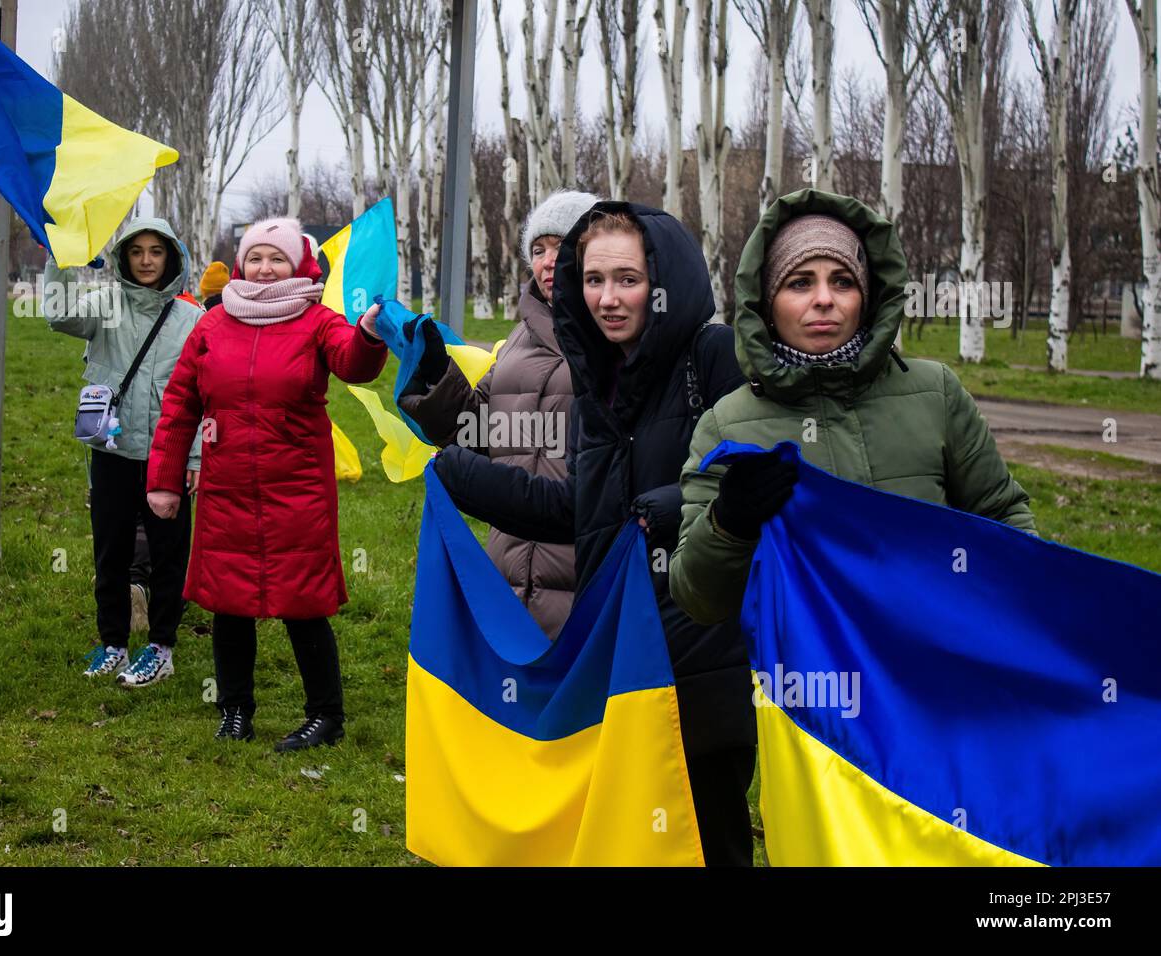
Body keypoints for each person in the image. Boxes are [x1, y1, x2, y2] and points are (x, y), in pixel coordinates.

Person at [430, 202, 756, 865]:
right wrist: (462, 476)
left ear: (667, 280)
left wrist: (669, 505)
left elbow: (759, 480)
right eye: (593, 280)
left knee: (710, 835)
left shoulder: (713, 356)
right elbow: (583, 512)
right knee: (634, 839)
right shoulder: (595, 384)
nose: (607, 299)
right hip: (618, 652)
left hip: (705, 653)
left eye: (628, 280)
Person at [670, 188, 1035, 633]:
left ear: (866, 298)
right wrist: (728, 524)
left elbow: (1002, 515)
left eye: (842, 281)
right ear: (766, 305)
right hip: (806, 691)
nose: (824, 299)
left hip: (938, 667)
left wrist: (1022, 613)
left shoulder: (935, 392)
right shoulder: (726, 424)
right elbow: (698, 599)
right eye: (799, 282)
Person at [146, 217, 388, 749]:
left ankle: (326, 715)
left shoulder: (317, 321)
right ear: (240, 264)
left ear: (299, 266)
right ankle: (236, 712)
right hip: (226, 488)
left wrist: (369, 335)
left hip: (297, 490)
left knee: (305, 605)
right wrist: (163, 480)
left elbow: (354, 365)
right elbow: (181, 403)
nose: (264, 267)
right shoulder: (211, 325)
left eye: (276, 258)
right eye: (255, 257)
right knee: (228, 604)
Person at [398, 190, 599, 639]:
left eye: (564, 246)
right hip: (507, 567)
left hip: (584, 574)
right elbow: (479, 430)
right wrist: (436, 374)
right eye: (538, 250)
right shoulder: (517, 341)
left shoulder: (618, 341)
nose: (548, 261)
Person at [43, 217, 203, 686]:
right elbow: (60, 315)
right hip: (111, 452)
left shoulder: (192, 319)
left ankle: (161, 647)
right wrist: (61, 258)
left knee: (169, 553)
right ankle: (112, 642)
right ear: (124, 258)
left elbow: (200, 396)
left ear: (171, 257)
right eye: (138, 252)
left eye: (157, 251)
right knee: (110, 551)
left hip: (166, 457)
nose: (147, 260)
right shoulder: (104, 305)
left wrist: (193, 458)